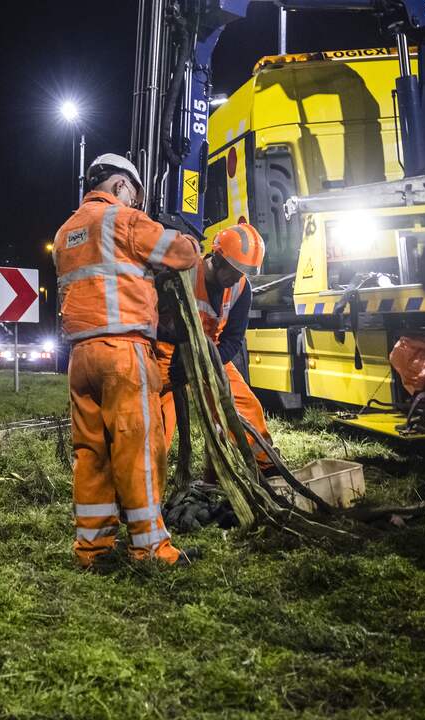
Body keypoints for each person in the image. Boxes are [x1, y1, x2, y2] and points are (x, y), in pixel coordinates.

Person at [53, 153, 201, 568]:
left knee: (91, 452)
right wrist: (187, 236)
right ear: (120, 187)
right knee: (138, 447)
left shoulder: (66, 232)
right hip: (123, 352)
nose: (134, 202)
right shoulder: (124, 221)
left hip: (80, 357)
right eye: (133, 194)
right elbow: (182, 254)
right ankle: (151, 548)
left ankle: (92, 549)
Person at [157, 222, 275, 472]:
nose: (236, 278)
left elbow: (233, 339)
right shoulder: (184, 272)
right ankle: (144, 484)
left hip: (212, 355)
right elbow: (151, 320)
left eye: (242, 272)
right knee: (157, 419)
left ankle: (265, 467)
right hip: (168, 355)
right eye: (233, 271)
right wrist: (182, 364)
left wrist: (204, 364)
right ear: (218, 258)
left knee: (246, 407)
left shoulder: (242, 288)